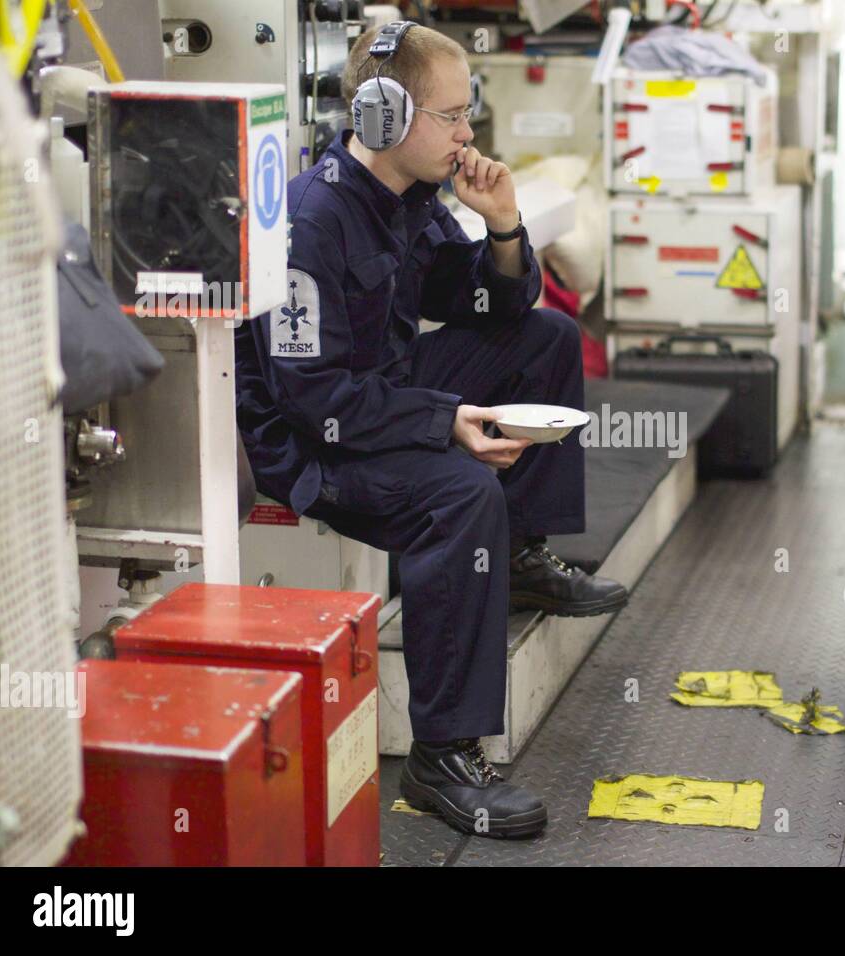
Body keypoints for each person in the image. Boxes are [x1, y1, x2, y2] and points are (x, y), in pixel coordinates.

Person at [234, 21, 628, 839]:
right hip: (317, 445)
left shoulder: (411, 201)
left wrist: (506, 226)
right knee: (459, 494)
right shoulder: (313, 219)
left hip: (382, 392)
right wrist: (445, 423)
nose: (467, 134)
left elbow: (493, 307)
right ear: (382, 118)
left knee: (549, 336)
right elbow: (313, 398)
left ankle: (517, 558)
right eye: (452, 117)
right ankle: (442, 754)